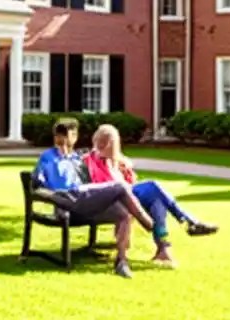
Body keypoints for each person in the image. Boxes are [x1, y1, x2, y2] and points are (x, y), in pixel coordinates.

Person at [34, 117, 157, 278]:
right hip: (67, 201)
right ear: (55, 137)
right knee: (120, 186)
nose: (63, 139)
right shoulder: (48, 157)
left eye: (68, 134)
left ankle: (121, 261)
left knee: (123, 213)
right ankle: (148, 222)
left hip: (85, 201)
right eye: (60, 135)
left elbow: (99, 161)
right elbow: (37, 183)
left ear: (75, 137)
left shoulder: (78, 158)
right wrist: (53, 196)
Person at [85, 124, 218, 268]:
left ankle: (163, 248)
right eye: (105, 142)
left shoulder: (118, 162)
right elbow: (102, 184)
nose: (108, 146)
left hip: (128, 198)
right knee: (153, 186)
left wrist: (121, 169)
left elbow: (131, 182)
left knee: (157, 203)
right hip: (111, 198)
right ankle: (187, 222)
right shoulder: (93, 158)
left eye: (111, 142)